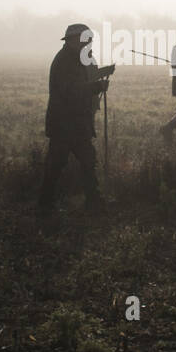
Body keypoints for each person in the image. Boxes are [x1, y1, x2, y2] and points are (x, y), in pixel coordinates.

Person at [39, 24, 114, 213]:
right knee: (56, 165)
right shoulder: (65, 61)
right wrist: (96, 87)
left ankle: (93, 201)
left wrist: (100, 78)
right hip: (64, 122)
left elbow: (83, 81)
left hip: (76, 122)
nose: (88, 43)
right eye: (85, 40)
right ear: (74, 40)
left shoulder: (77, 59)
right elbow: (71, 90)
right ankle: (45, 203)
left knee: (87, 161)